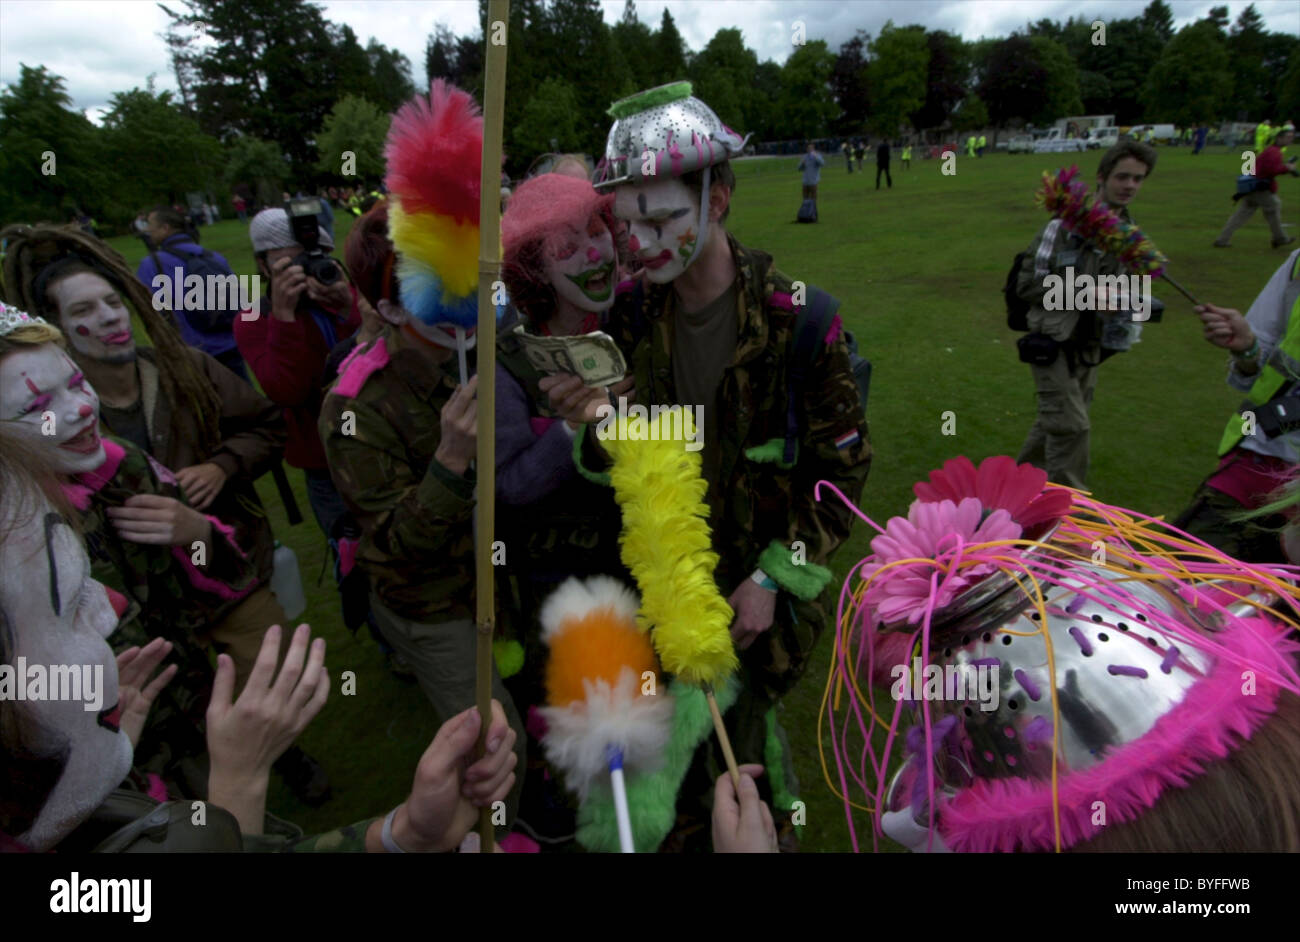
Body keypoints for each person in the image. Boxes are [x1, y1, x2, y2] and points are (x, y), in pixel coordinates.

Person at [563, 82, 871, 849]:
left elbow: (842, 479)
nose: (641, 243)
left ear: (720, 199)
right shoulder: (629, 318)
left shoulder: (802, 320)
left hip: (758, 614)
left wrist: (773, 579)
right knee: (674, 770)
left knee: (755, 762)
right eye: (628, 223)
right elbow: (617, 456)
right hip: (665, 597)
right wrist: (594, 424)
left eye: (662, 217)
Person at [0, 431, 519, 852]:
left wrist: (403, 834)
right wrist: (238, 785)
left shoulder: (68, 813)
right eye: (66, 604)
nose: (112, 609)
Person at [0, 223, 329, 804]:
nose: (107, 318)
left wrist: (219, 477)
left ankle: (289, 760)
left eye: (112, 302)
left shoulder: (186, 373)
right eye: (84, 309)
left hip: (221, 576)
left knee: (271, 678)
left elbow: (266, 426)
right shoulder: (31, 510)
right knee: (184, 741)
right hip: (146, 639)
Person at [319, 81, 528, 831]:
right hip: (432, 604)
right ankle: (497, 835)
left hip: (495, 578)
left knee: (520, 711)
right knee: (496, 749)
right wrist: (447, 462)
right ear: (387, 306)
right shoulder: (353, 408)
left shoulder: (472, 342)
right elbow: (393, 550)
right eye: (432, 288)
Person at [1014, 141, 1158, 489]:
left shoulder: (1130, 237)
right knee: (1071, 426)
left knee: (1053, 423)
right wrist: (1087, 295)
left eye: (1138, 179)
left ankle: (1012, 491)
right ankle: (1071, 511)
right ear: (1101, 177)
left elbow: (1126, 293)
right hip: (1051, 340)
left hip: (1092, 345)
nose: (1130, 186)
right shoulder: (1063, 225)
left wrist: (1129, 304)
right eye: (1122, 177)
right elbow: (1028, 286)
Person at [234, 208, 366, 538]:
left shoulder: (344, 295)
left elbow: (387, 355)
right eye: (290, 264)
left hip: (383, 440)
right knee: (353, 560)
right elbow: (287, 391)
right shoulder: (253, 319)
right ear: (263, 266)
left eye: (311, 257)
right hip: (325, 463)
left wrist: (348, 308)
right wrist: (284, 315)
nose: (305, 270)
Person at [1172, 248, 1300, 562]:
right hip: (1256, 450)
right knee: (1181, 573)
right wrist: (1247, 351)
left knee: (1275, 601)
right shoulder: (1298, 263)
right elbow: (1257, 350)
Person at [134, 205, 250, 381]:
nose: (147, 230)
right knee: (246, 401)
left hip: (191, 352)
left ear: (165, 228)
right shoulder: (214, 257)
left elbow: (151, 311)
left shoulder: (151, 264)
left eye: (150, 224)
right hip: (230, 344)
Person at [1214, 123, 1298, 249]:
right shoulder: (1274, 152)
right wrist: (1287, 168)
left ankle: (1222, 239)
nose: (1290, 140)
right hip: (1261, 187)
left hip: (1252, 186)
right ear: (1279, 138)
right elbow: (1272, 170)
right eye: (1288, 137)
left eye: (1291, 137)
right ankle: (1279, 238)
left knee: (1241, 214)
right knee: (1273, 208)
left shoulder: (1271, 151)